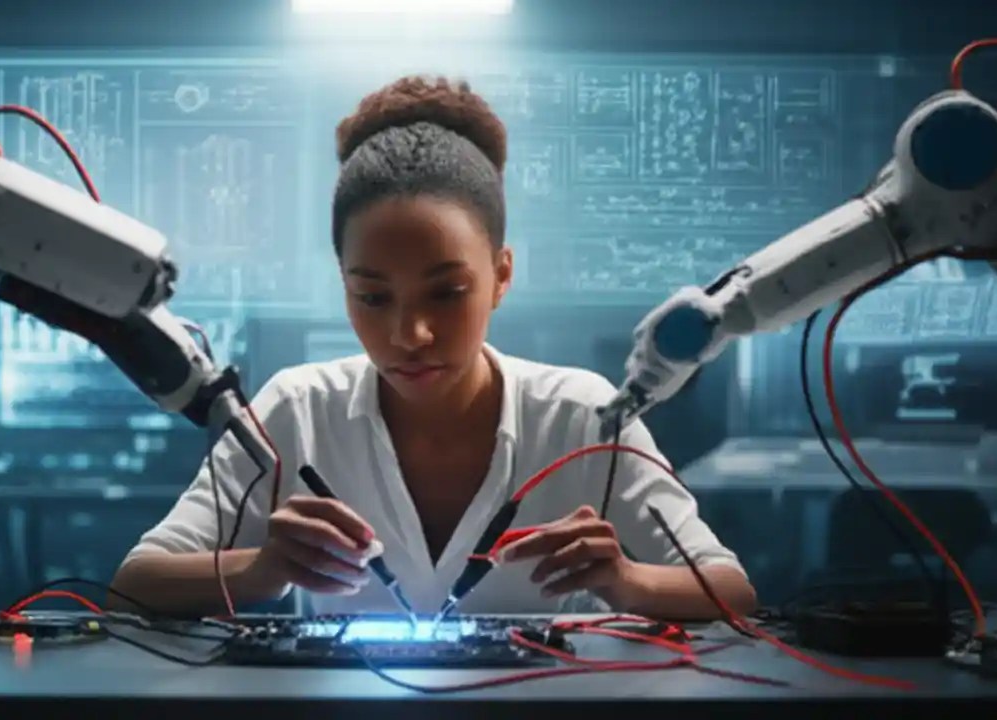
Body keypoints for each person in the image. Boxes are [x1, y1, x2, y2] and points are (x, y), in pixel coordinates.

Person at [110, 76, 756, 620]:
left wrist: (626, 581)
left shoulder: (584, 416)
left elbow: (729, 589)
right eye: (372, 297)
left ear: (502, 274)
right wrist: (258, 570)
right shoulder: (296, 409)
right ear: (342, 284)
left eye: (445, 293)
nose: (408, 335)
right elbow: (137, 580)